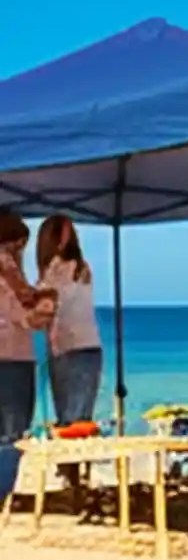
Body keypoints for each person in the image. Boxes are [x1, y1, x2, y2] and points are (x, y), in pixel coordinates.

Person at [36, 214, 103, 428]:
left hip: (81, 347)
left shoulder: (76, 268)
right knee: (67, 418)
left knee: (76, 419)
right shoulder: (51, 272)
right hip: (63, 349)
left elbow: (58, 299)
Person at [0, 212, 48, 498]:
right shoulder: (7, 267)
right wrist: (45, 306)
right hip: (13, 357)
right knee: (13, 431)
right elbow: (23, 313)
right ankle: (2, 493)